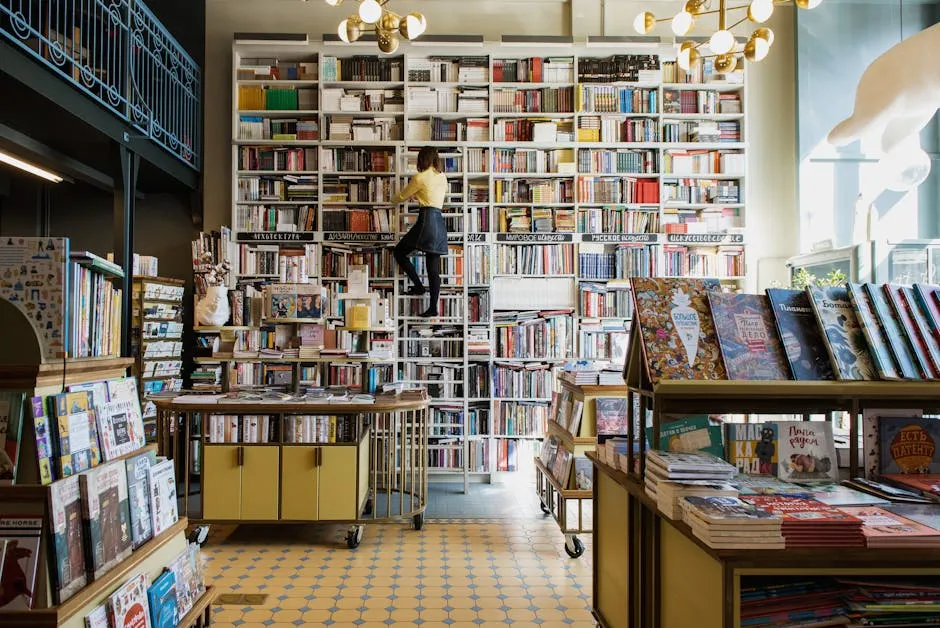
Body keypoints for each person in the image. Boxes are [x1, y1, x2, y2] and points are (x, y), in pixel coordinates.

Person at [392, 146, 448, 317]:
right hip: (439, 221)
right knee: (433, 268)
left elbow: (401, 196)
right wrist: (420, 196)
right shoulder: (443, 177)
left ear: (422, 159)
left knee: (399, 252)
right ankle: (433, 308)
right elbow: (432, 196)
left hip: (426, 220)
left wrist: (391, 200)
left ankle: (418, 285)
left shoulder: (420, 177)